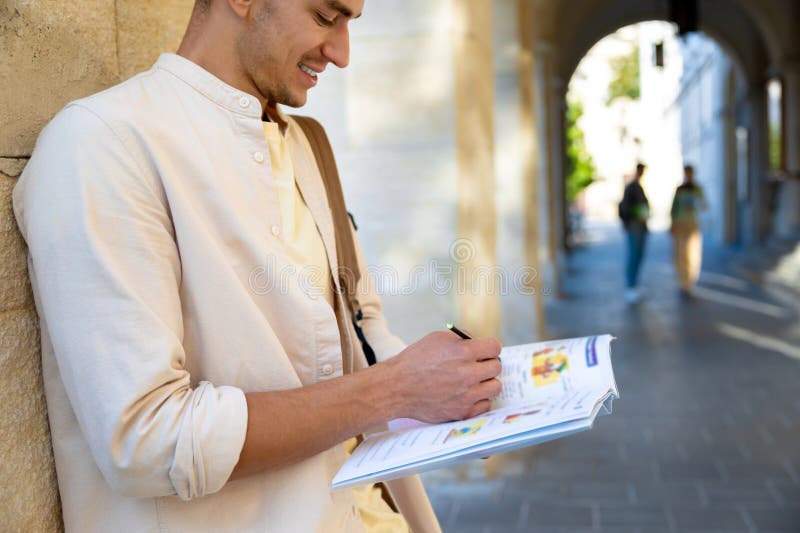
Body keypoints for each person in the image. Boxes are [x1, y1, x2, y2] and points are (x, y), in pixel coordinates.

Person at [11, 1, 503, 531]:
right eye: (324, 17)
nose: (341, 54)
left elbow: (363, 337)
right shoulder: (103, 143)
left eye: (349, 23)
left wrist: (458, 399)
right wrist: (396, 389)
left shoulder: (308, 145)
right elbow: (144, 440)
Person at [670, 165, 706, 296]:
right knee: (680, 253)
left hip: (692, 224)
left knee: (693, 253)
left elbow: (704, 205)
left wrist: (695, 205)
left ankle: (690, 282)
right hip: (680, 223)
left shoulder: (697, 189)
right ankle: (682, 281)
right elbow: (673, 208)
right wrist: (672, 224)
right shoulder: (680, 189)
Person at [618, 163, 650, 303]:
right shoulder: (631, 187)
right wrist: (636, 216)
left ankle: (634, 285)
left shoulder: (639, 187)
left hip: (641, 227)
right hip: (634, 227)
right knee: (633, 256)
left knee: (639, 256)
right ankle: (630, 286)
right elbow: (625, 208)